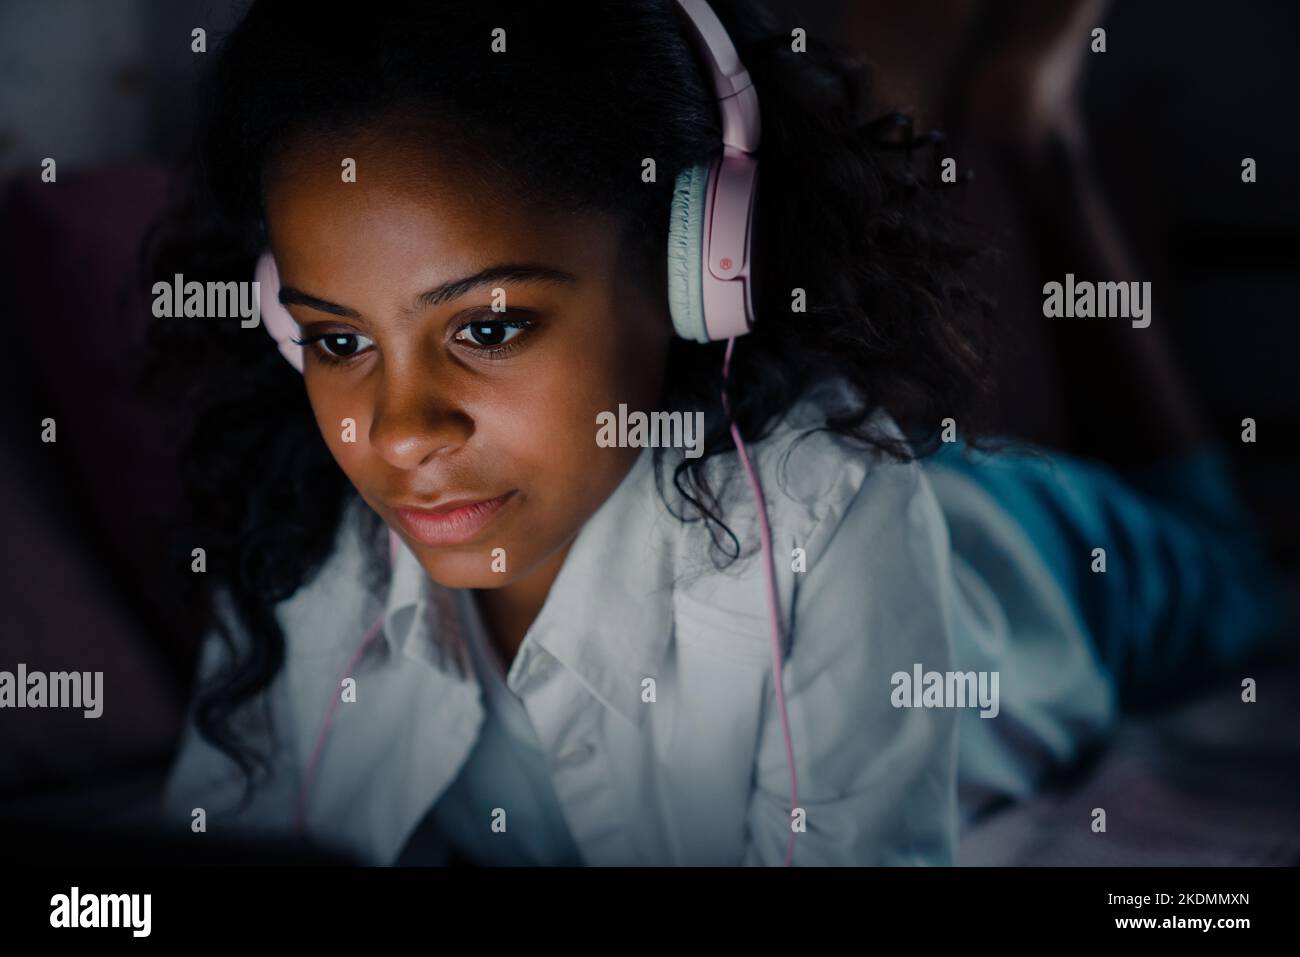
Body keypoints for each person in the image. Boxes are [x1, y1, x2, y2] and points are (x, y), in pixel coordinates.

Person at [140, 0, 1285, 866]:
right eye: (338, 342)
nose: (398, 434)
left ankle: (1032, 135)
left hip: (1024, 559)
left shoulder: (841, 528)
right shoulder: (300, 524)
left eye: (488, 326)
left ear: (700, 277)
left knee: (1231, 567)